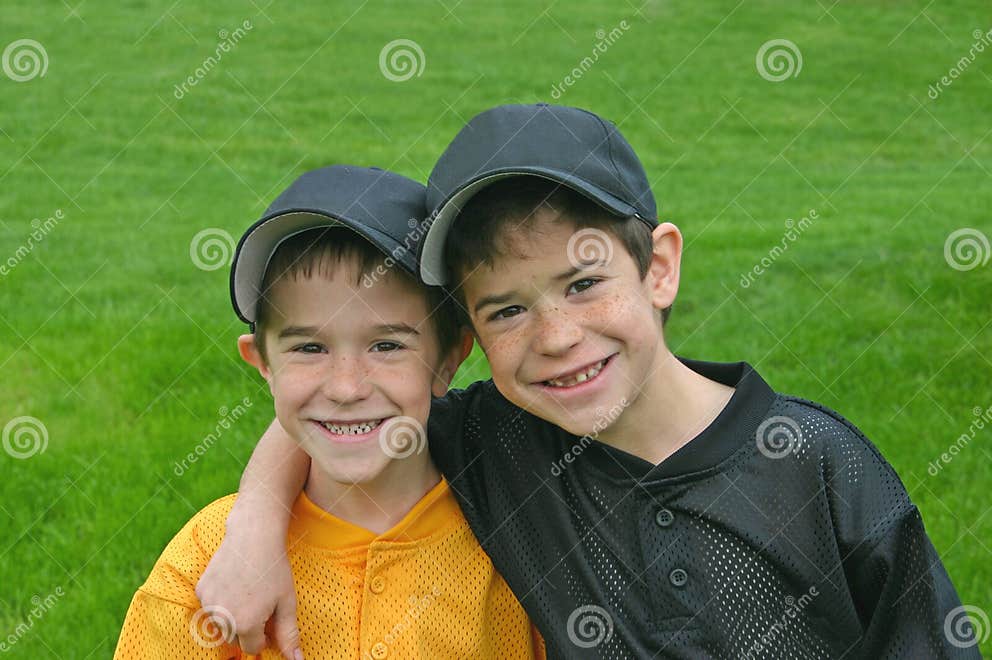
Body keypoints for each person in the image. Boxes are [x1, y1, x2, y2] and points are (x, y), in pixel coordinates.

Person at [196, 106, 978, 659]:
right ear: (466, 342)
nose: (558, 339)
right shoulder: (500, 443)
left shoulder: (817, 463)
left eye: (582, 283)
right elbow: (349, 403)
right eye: (506, 310)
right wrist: (255, 528)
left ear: (660, 266)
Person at [114, 165, 543, 659]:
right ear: (263, 362)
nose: (345, 387)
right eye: (309, 349)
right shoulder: (208, 563)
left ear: (449, 360)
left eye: (386, 345)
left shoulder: (515, 539)